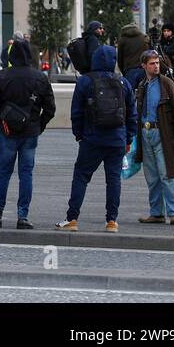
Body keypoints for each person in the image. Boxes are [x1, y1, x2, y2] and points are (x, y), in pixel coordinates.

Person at [58, 45, 136, 231]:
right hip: (117, 139)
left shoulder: (85, 81)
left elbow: (76, 112)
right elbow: (132, 114)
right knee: (114, 180)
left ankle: (72, 219)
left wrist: (79, 136)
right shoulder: (123, 82)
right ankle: (111, 221)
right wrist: (128, 139)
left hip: (92, 138)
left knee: (81, 177)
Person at [0, 39, 56, 229]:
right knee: (26, 174)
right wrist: (38, 126)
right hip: (30, 132)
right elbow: (50, 108)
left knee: (3, 173)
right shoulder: (40, 77)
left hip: (7, 132)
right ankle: (22, 216)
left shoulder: (2, 76)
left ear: (11, 55)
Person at [134, 49, 174, 224]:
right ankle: (157, 213)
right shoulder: (142, 85)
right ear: (144, 66)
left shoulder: (167, 84)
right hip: (146, 132)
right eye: (152, 63)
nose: (155, 66)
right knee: (152, 176)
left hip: (163, 134)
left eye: (157, 63)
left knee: (168, 173)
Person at [117, 22, 150, 92]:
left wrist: (123, 71)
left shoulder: (122, 40)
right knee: (144, 93)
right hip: (143, 69)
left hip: (129, 70)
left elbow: (119, 58)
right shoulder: (144, 37)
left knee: (129, 94)